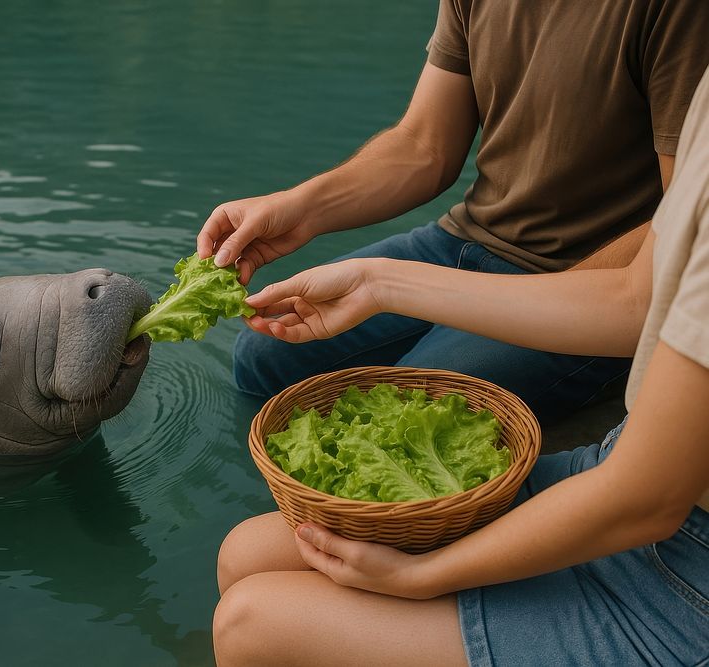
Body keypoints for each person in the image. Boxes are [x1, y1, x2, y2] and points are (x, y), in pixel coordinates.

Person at [210, 67, 709, 666]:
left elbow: (646, 500)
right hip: (631, 479)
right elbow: (633, 297)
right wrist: (376, 283)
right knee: (245, 553)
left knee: (252, 625)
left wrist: (425, 574)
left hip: (680, 586)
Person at [197, 0, 709, 425]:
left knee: (400, 415)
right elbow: (425, 146)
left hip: (582, 281)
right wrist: (297, 209)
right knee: (264, 358)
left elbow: (684, 216)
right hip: (467, 238)